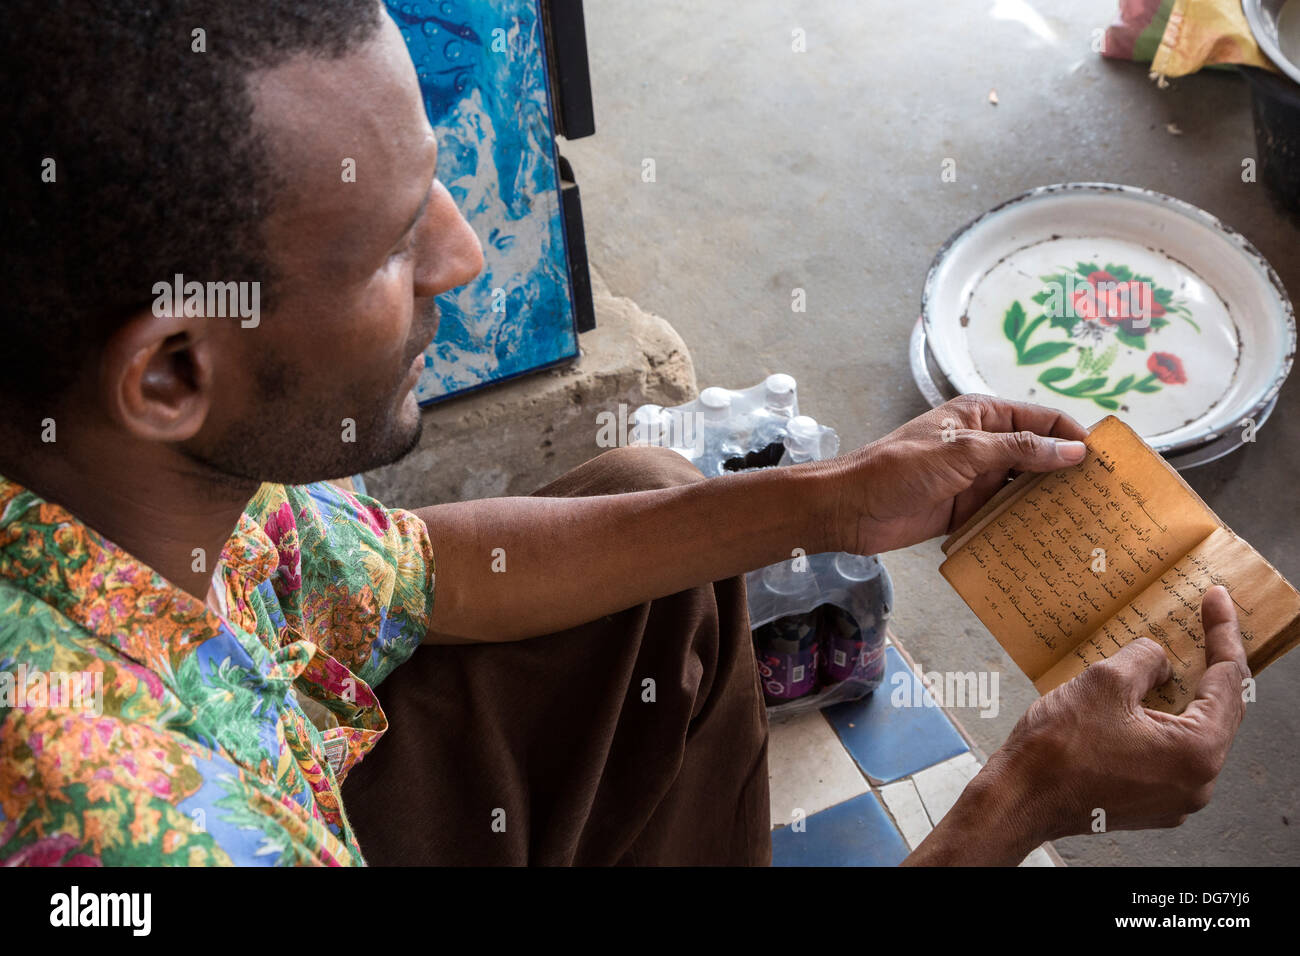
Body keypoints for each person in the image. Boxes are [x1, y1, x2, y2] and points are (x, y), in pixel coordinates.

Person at [0, 1, 1247, 866]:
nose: (460, 252)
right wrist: (1026, 793)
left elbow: (416, 571)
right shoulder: (139, 823)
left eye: (430, 180)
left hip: (297, 750)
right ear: (169, 370)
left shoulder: (122, 478)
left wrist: (835, 494)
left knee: (662, 523)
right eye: (387, 246)